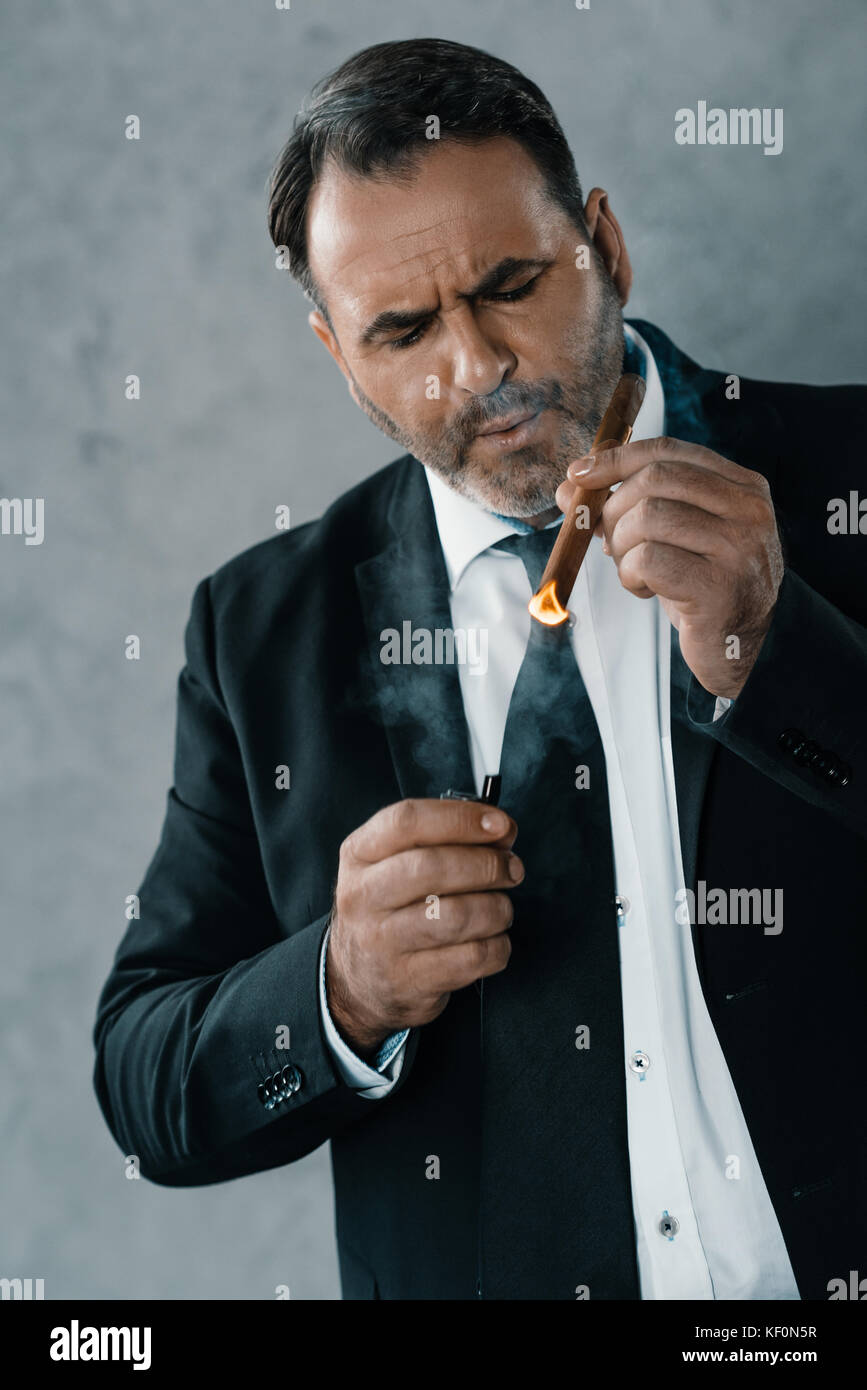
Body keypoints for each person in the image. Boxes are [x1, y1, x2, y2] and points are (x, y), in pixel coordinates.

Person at [93, 38, 866, 1300]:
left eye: (511, 284)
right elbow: (145, 1088)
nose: (477, 365)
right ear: (338, 354)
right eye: (402, 329)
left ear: (603, 245)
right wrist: (342, 987)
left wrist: (785, 656)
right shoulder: (259, 630)